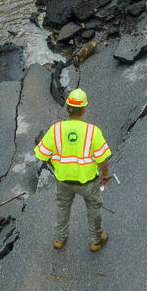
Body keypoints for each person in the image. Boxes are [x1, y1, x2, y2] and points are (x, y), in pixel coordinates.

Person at [35, 87, 111, 251]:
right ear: (84, 109)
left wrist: (55, 165)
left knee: (63, 207)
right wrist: (105, 175)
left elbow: (42, 154)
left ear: (67, 108)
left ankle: (59, 239)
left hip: (63, 181)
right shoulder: (92, 132)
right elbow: (101, 159)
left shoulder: (56, 130)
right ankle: (96, 240)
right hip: (88, 183)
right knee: (93, 208)